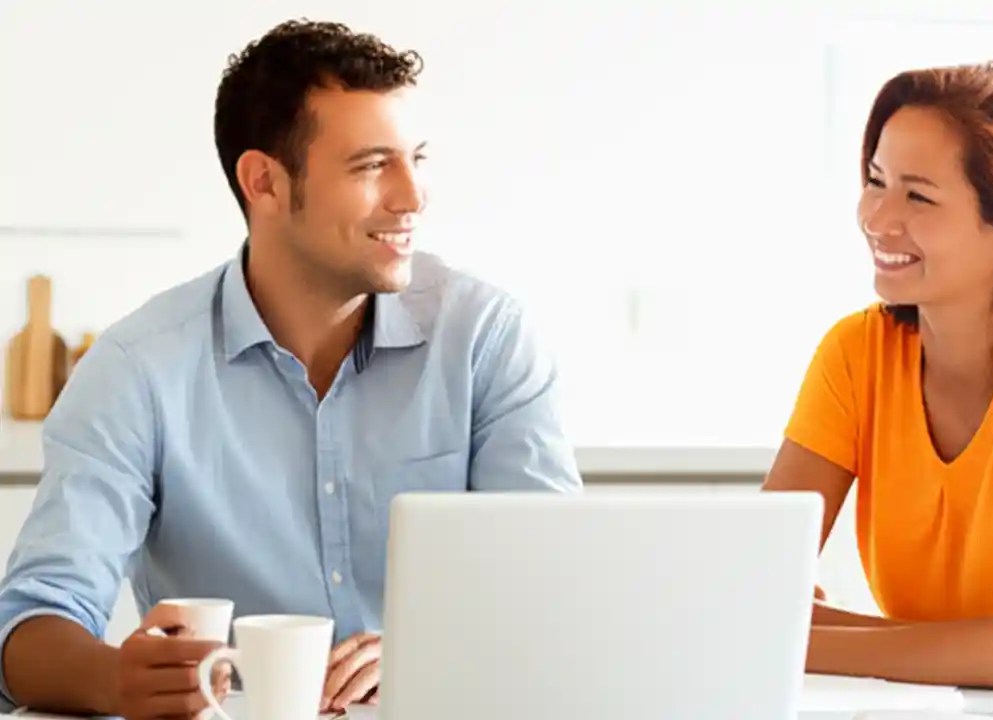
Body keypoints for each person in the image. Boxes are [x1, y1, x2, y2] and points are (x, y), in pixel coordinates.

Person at [0, 18, 582, 720]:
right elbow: (30, 625)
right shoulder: (138, 370)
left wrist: (422, 649)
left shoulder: (484, 338)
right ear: (264, 183)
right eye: (372, 166)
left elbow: (554, 594)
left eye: (415, 158)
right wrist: (117, 678)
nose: (412, 196)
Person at [764, 61, 993, 688]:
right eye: (876, 181)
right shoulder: (856, 352)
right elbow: (755, 586)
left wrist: (805, 639)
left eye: (918, 196)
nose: (878, 218)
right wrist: (797, 627)